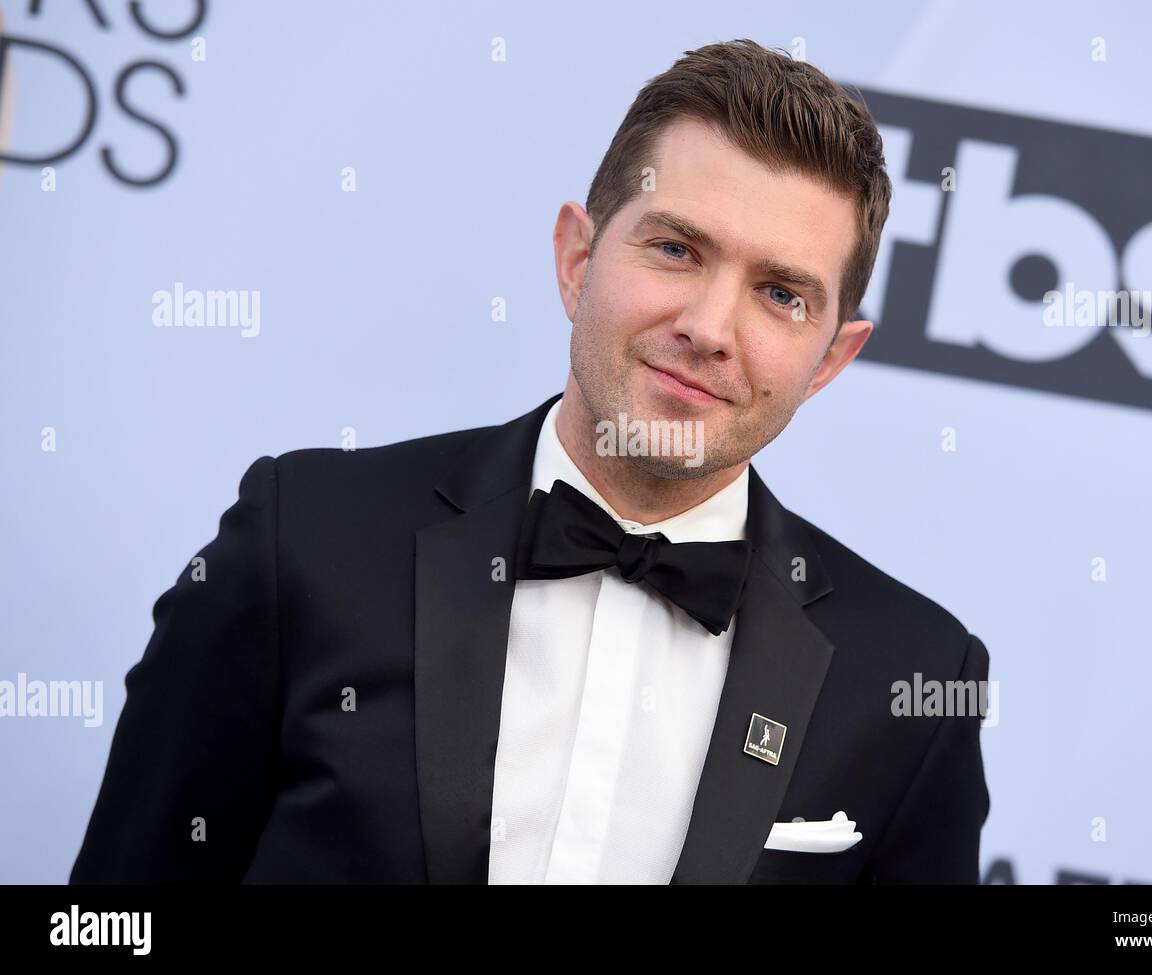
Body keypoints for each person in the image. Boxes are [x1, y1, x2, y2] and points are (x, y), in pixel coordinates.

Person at [70, 38, 990, 885]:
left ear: (831, 357)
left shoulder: (912, 677)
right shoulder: (303, 538)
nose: (709, 328)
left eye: (781, 294)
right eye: (675, 248)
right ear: (575, 259)